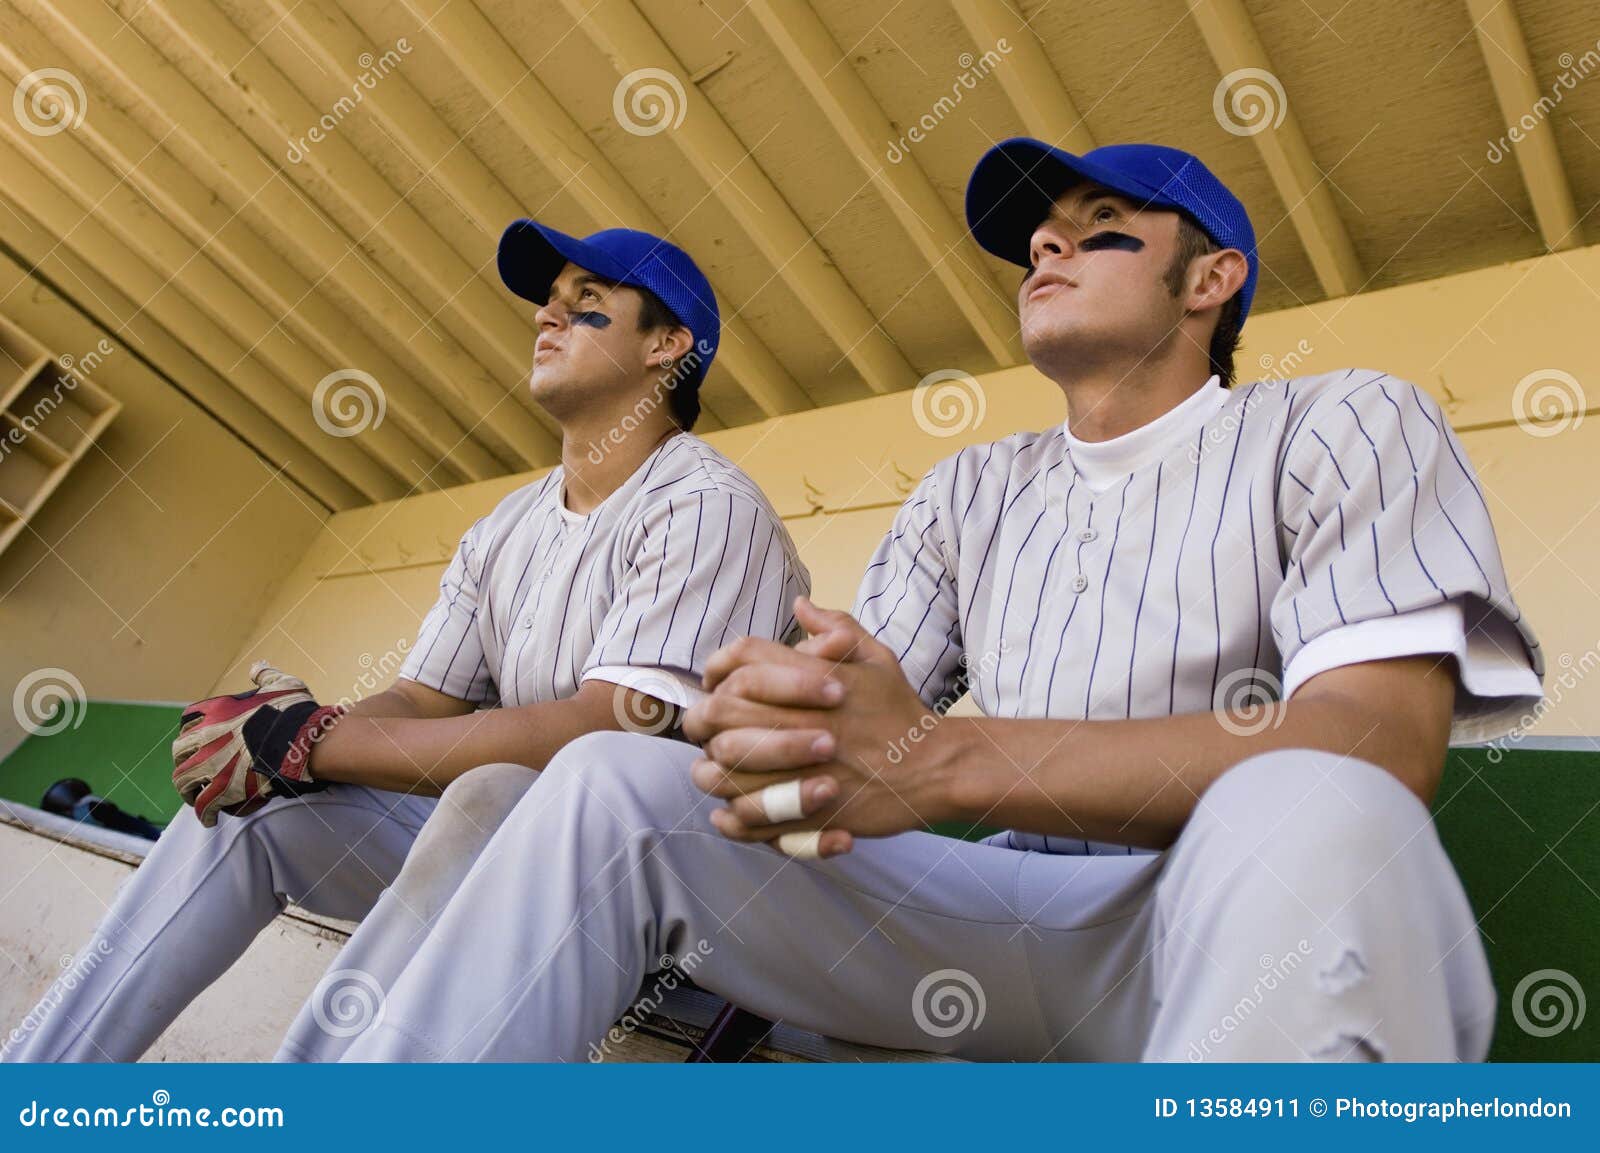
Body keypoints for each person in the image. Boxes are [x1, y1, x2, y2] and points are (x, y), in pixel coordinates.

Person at [289, 141, 1541, 1062]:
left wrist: (939, 758)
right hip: (994, 923)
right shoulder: (969, 486)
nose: (1046, 247)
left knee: (1312, 803)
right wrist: (785, 721)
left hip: (1220, 920)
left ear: (1211, 278)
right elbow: (860, 722)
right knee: (614, 779)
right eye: (1036, 237)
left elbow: (1375, 747)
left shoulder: (1341, 417)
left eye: (1100, 227)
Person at [3, 221, 808, 1063]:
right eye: (549, 301)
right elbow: (423, 698)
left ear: (667, 346)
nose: (548, 315)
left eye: (589, 304)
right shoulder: (506, 526)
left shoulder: (710, 504)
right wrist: (296, 740)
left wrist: (319, 739)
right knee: (257, 801)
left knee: (491, 793)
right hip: (514, 861)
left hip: (690, 899)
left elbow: (608, 729)